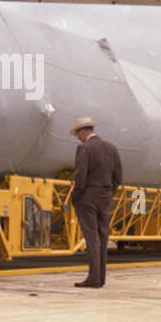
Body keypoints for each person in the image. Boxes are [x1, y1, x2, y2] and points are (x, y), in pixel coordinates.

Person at [70, 117, 123, 288]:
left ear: (83, 131)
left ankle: (93, 279)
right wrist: (109, 193)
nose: (77, 137)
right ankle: (100, 278)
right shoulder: (111, 148)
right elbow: (118, 177)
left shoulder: (84, 148)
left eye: (77, 133)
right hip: (105, 196)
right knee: (102, 236)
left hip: (88, 197)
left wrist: (76, 196)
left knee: (92, 238)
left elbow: (80, 176)